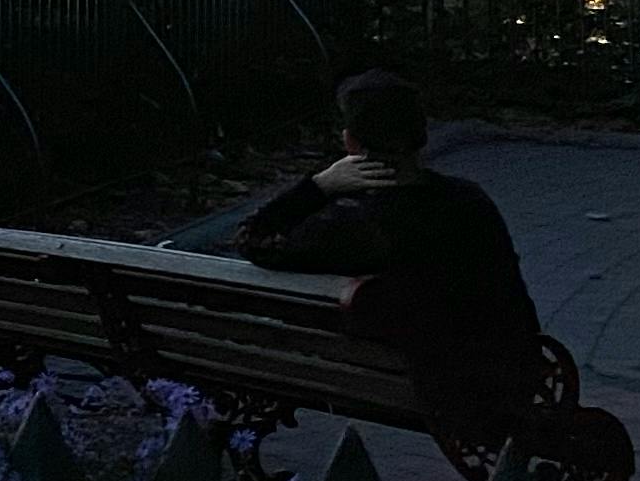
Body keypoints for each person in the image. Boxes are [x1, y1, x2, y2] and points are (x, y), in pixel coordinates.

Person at [231, 70, 547, 438]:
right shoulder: (470, 200)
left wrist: (318, 187)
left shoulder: (352, 227)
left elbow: (254, 237)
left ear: (350, 143)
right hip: (506, 377)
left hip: (437, 390)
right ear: (421, 138)